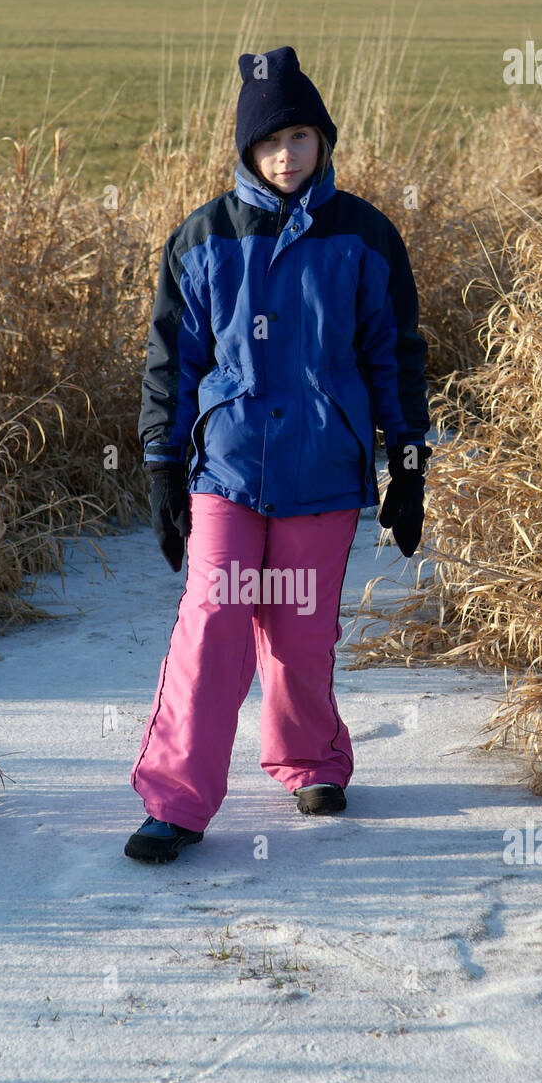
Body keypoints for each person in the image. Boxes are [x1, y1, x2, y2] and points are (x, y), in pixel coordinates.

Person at [125, 45, 431, 864]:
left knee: (300, 634)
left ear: (322, 139)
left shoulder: (363, 236)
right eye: (269, 142)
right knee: (214, 623)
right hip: (226, 471)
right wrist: (161, 470)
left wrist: (407, 468)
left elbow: (393, 355)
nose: (286, 155)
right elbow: (173, 363)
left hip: (323, 473)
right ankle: (177, 800)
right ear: (247, 151)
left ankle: (309, 761)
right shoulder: (203, 238)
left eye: (299, 136)